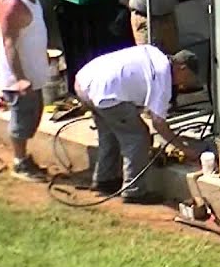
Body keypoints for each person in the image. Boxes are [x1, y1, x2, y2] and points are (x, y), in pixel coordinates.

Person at [74, 44, 203, 204]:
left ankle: (104, 180)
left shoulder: (154, 53)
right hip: (105, 94)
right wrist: (185, 149)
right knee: (138, 137)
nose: (186, 84)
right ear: (181, 68)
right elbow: (158, 124)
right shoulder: (163, 78)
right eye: (189, 77)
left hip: (84, 82)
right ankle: (133, 190)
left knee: (111, 133)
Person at [0, 0, 52, 182]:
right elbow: (9, 43)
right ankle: (19, 162)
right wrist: (19, 79)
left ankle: (24, 158)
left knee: (34, 114)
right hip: (20, 76)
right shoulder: (12, 5)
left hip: (33, 71)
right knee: (22, 119)